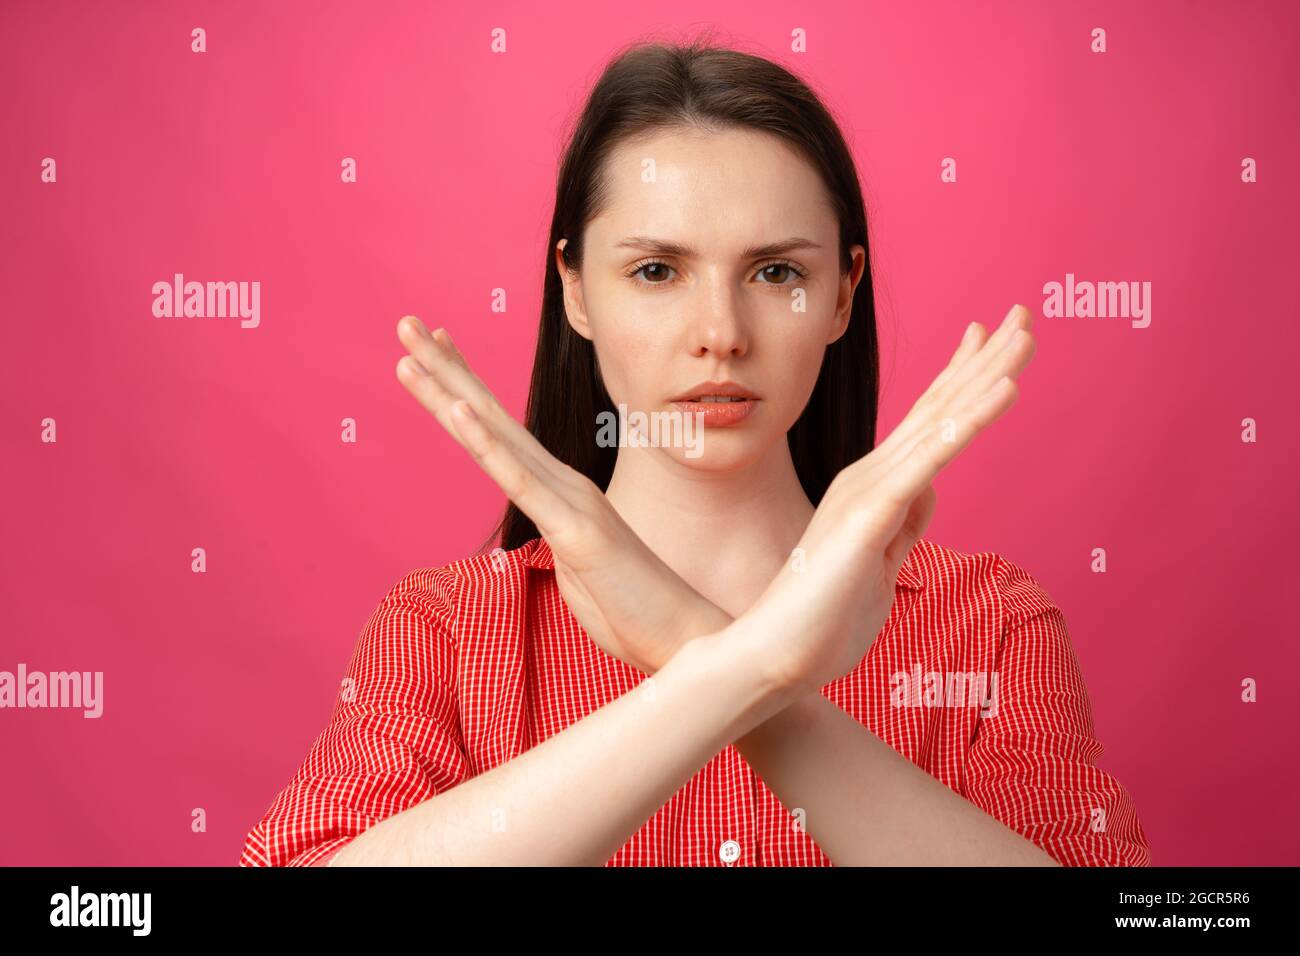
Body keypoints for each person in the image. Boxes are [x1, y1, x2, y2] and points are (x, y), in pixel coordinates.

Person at [239, 38, 1151, 867]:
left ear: (842, 296)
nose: (721, 333)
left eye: (777, 273)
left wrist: (693, 646)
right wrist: (752, 666)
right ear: (577, 292)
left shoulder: (986, 629)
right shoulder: (446, 631)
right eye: (656, 271)